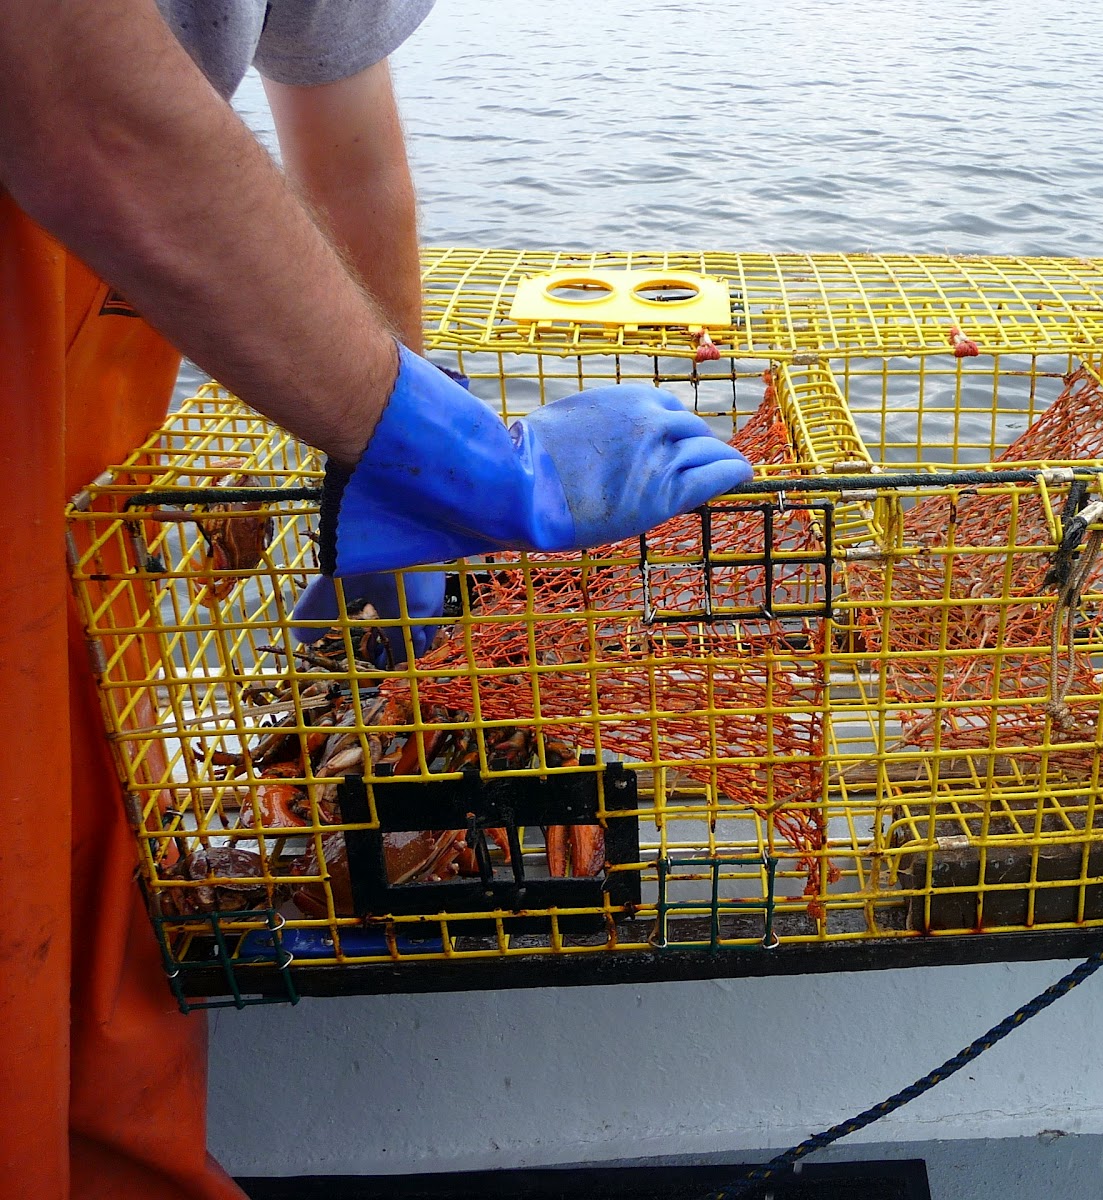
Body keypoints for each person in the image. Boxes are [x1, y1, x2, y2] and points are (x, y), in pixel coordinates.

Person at [0, 3, 752, 1195]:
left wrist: (395, 492)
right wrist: (444, 449)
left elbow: (350, 148)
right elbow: (80, 100)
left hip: (87, 406)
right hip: (53, 211)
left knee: (104, 900)